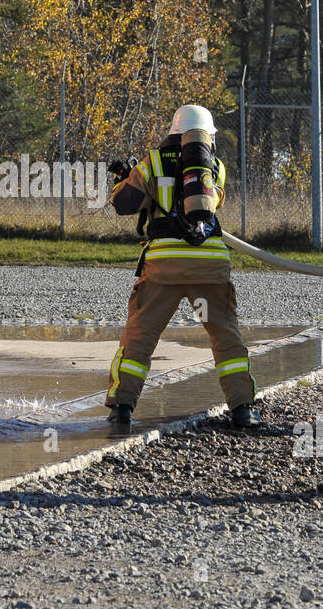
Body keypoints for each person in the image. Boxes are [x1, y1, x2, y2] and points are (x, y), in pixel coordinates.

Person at [104, 105, 260, 429]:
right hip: (210, 263)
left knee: (141, 336)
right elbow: (211, 202)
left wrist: (127, 180)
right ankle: (243, 408)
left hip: (165, 265)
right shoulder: (214, 166)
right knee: (224, 335)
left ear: (173, 132)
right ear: (209, 137)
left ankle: (121, 408)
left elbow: (123, 204)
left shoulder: (153, 162)